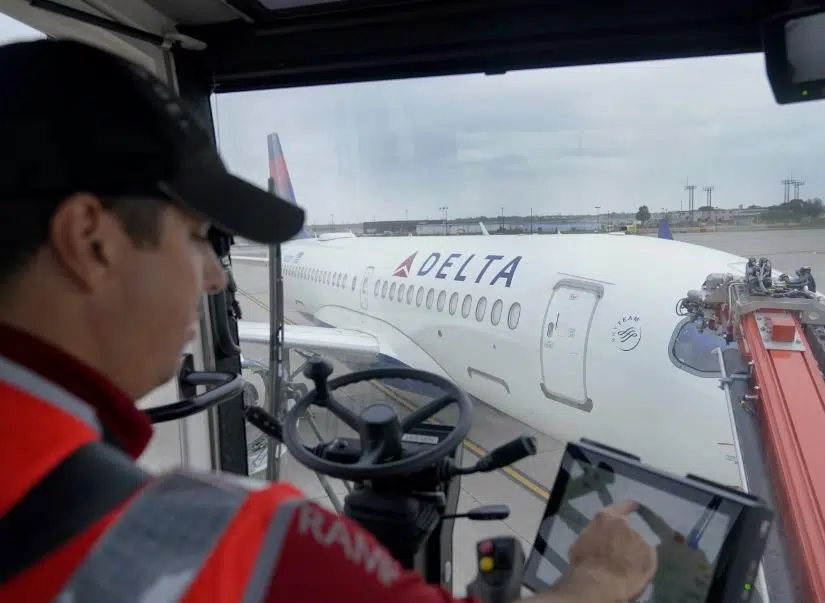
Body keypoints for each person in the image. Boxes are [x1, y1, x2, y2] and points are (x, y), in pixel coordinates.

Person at [0, 38, 656, 602]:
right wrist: (599, 575)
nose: (217, 277)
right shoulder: (234, 545)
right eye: (200, 238)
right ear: (91, 241)